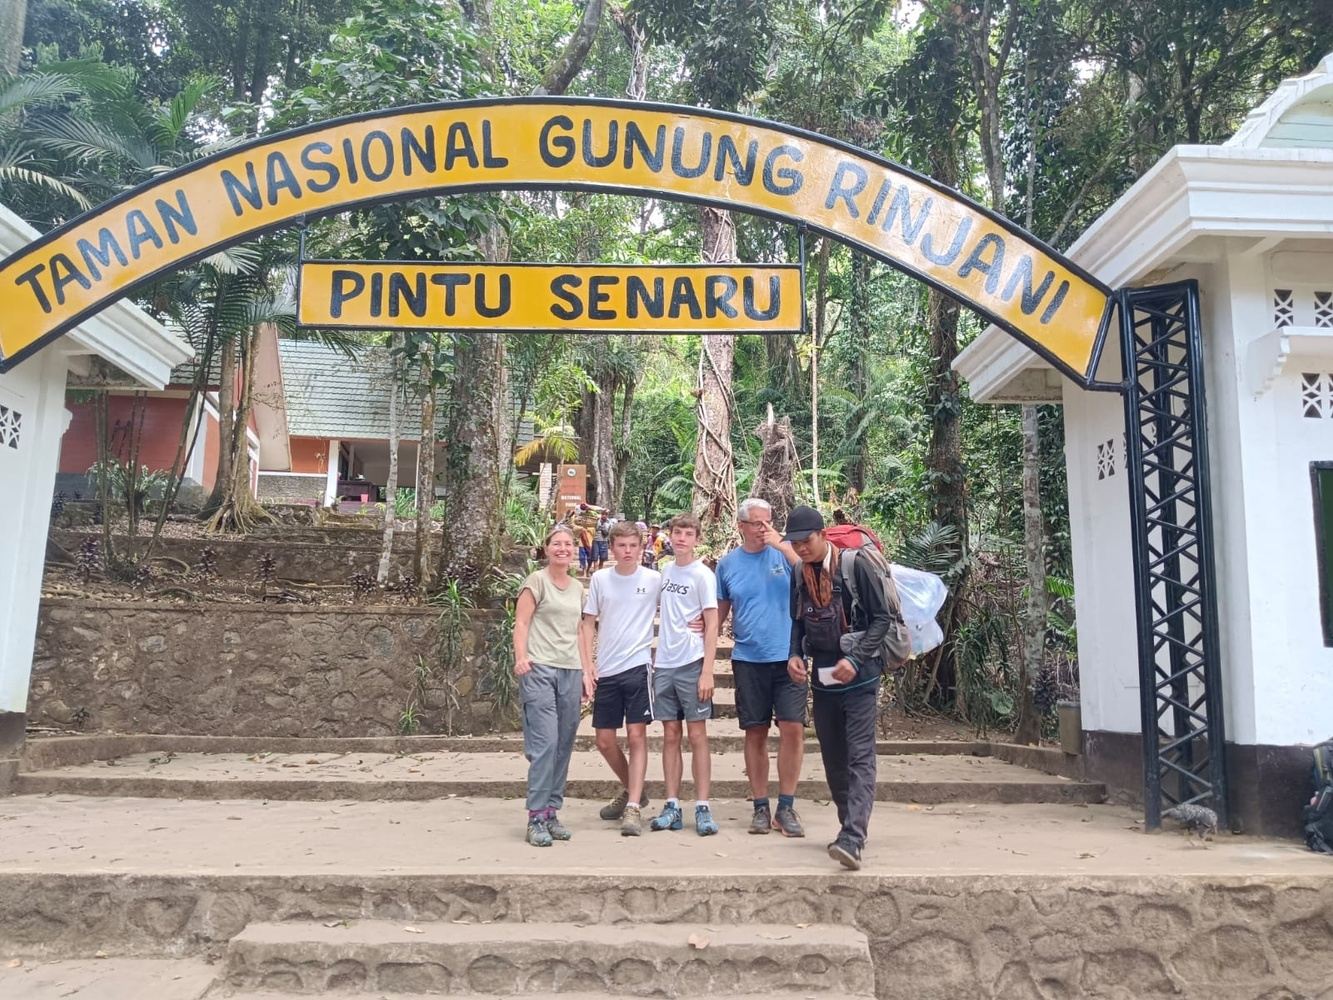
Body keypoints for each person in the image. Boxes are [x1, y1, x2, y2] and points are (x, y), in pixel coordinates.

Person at [785, 504, 894, 871]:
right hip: (824, 676)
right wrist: (794, 655)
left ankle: (853, 836)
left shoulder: (855, 565)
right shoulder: (799, 572)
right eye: (794, 543)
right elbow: (797, 622)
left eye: (806, 541)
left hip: (861, 675)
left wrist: (856, 658)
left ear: (822, 535)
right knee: (833, 757)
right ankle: (849, 826)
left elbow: (883, 618)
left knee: (860, 754)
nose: (800, 548)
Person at [715, 497, 805, 837]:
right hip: (748, 659)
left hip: (789, 657)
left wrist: (782, 545)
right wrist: (703, 641)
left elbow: (809, 575)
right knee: (755, 731)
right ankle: (760, 806)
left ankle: (786, 805)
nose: (762, 528)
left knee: (793, 728)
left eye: (767, 521)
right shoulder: (727, 565)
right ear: (741, 526)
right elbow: (720, 611)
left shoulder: (786, 555)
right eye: (756, 522)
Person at [580, 519, 660, 836]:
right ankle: (633, 789)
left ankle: (633, 807)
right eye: (621, 546)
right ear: (612, 548)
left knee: (637, 737)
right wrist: (588, 665)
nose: (627, 551)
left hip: (638, 667)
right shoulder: (600, 579)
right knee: (604, 740)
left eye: (633, 546)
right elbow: (587, 624)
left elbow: (678, 609)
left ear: (642, 548)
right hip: (607, 670)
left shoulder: (654, 579)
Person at [512, 524, 589, 847]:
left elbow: (583, 631)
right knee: (545, 744)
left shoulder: (578, 588)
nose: (562, 548)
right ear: (546, 549)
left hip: (570, 670)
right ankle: (535, 816)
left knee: (564, 744)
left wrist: (587, 670)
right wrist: (521, 657)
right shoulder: (536, 582)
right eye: (556, 543)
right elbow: (522, 622)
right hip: (540, 669)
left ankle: (552, 810)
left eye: (568, 544)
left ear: (575, 550)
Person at [649, 513, 720, 836]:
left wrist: (708, 670)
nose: (681, 538)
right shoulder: (663, 572)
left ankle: (703, 806)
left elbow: (712, 620)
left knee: (697, 735)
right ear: (670, 536)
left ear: (696, 538)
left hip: (692, 662)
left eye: (688, 534)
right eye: (677, 532)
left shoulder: (703, 575)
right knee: (670, 735)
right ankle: (672, 803)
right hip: (664, 662)